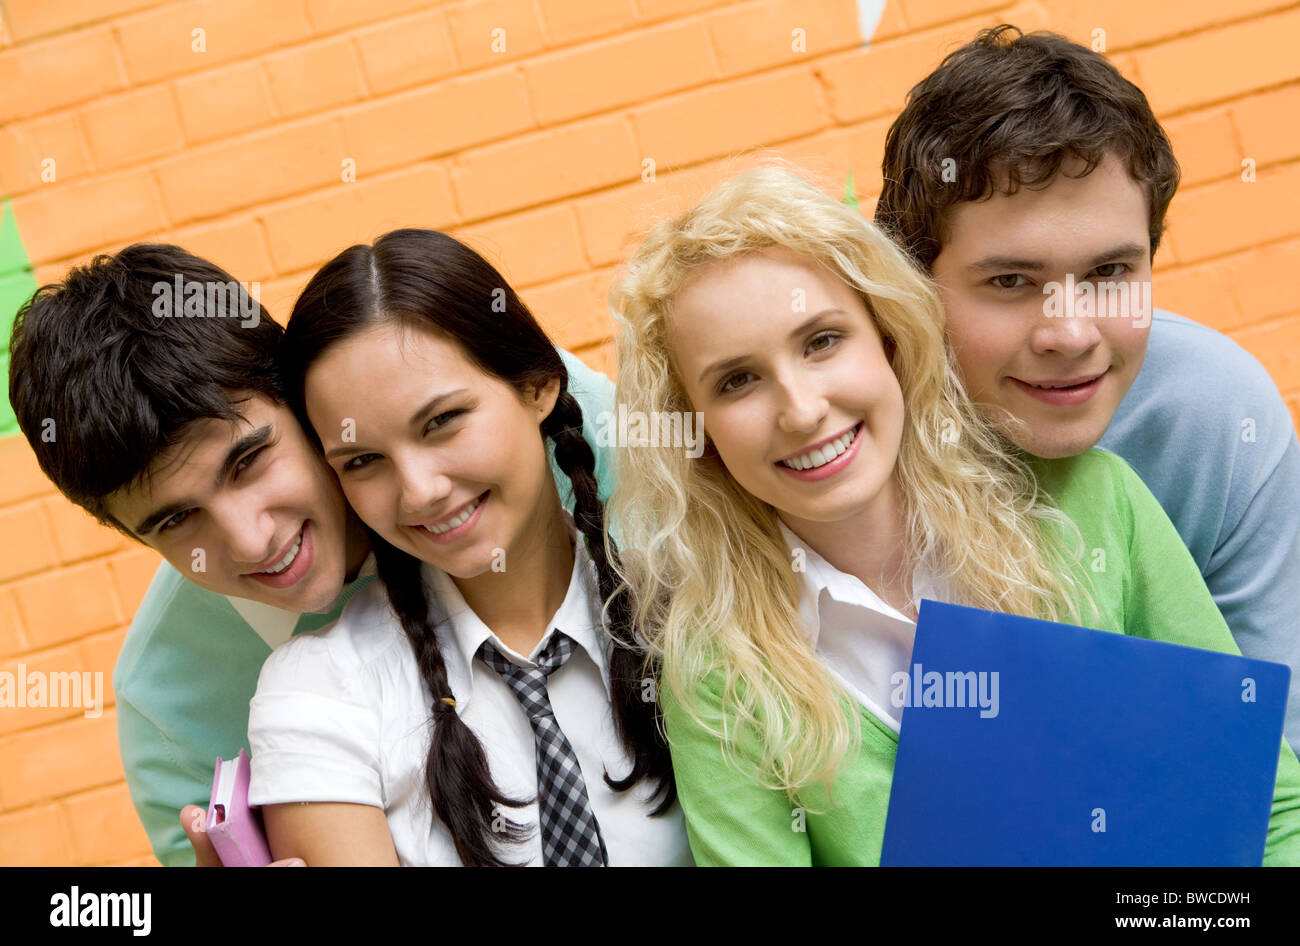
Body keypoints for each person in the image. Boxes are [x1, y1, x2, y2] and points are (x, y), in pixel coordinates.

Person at [606, 164, 1300, 865]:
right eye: (738, 381)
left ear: (889, 339)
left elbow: (1268, 810)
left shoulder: (1089, 504)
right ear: (697, 432)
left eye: (822, 341)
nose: (802, 409)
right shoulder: (722, 674)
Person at [6, 244, 619, 865]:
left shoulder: (536, 429)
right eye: (176, 519)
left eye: (247, 462)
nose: (251, 539)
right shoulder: (169, 708)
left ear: (300, 399)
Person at [874, 24, 1300, 754]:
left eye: (1109, 275)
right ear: (913, 287)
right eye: (1011, 282)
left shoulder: (1216, 417)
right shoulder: (846, 439)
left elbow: (1271, 757)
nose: (1070, 335)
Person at [246, 228, 687, 865]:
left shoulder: (693, 602)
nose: (420, 492)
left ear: (537, 384)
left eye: (442, 421)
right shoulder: (319, 695)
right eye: (363, 459)